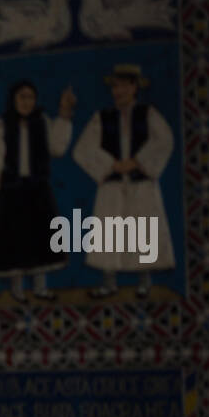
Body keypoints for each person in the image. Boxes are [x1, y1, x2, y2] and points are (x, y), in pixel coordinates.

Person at [71, 64, 174, 298]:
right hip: (113, 185)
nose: (119, 91)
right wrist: (110, 165)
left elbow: (164, 140)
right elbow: (82, 149)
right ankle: (109, 283)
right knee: (110, 232)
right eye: (116, 86)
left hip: (141, 184)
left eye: (124, 86)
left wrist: (138, 161)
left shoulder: (148, 115)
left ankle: (144, 282)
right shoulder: (103, 117)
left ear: (134, 87)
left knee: (143, 231)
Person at [0, 79, 75, 302]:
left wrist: (64, 115)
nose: (26, 102)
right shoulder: (3, 124)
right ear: (14, 100)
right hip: (12, 189)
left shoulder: (42, 122)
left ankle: (40, 288)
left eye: (30, 97)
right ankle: (17, 290)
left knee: (41, 238)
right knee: (16, 239)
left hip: (37, 188)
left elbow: (57, 147)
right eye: (22, 97)